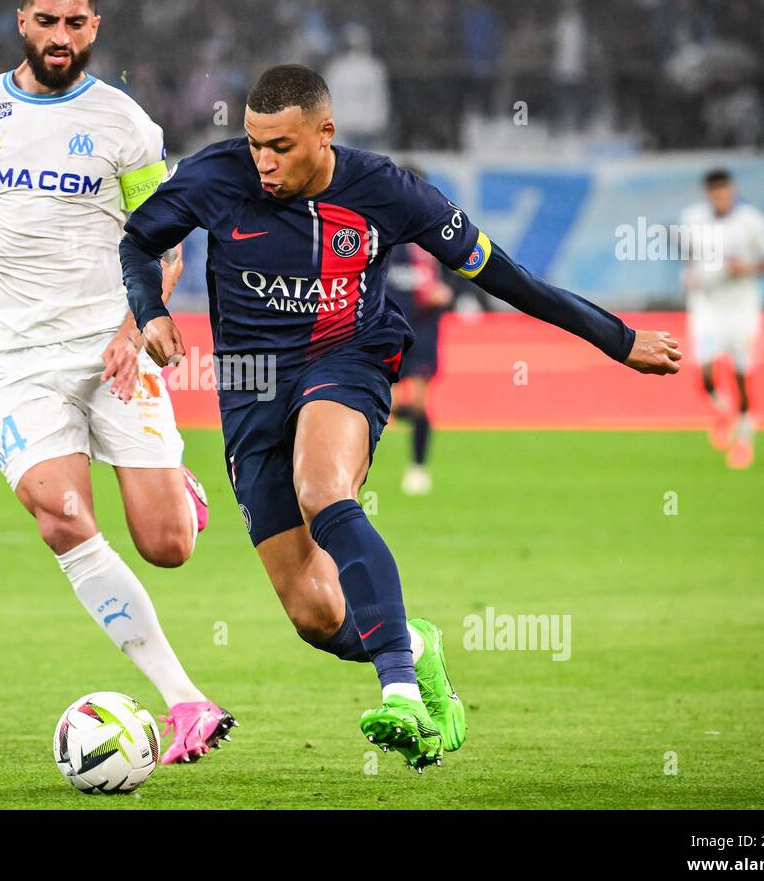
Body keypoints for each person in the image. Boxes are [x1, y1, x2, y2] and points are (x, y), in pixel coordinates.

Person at [120, 64, 681, 771]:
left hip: (347, 360)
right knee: (315, 615)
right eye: (256, 143)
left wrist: (618, 339)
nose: (264, 162)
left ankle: (401, 691)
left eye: (282, 147)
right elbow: (138, 242)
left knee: (323, 488)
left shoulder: (387, 190)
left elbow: (504, 274)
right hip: (249, 387)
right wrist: (152, 312)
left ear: (326, 134)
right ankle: (415, 646)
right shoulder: (215, 177)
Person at [0, 0, 232, 765]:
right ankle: (185, 702)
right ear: (22, 21)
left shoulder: (125, 126)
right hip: (15, 360)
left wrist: (137, 327)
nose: (59, 36)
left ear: (94, 28)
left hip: (112, 349)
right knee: (63, 516)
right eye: (45, 20)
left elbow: (162, 244)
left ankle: (181, 494)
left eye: (74, 23)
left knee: (166, 546)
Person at [680, 168, 764, 469]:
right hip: (707, 308)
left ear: (733, 191)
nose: (720, 198)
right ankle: (725, 411)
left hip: (742, 311)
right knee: (705, 374)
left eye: (724, 192)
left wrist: (749, 269)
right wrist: (690, 275)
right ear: (707, 194)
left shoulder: (752, 222)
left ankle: (744, 440)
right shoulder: (693, 220)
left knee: (742, 376)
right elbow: (690, 258)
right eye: (714, 193)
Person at [383, 170, 455, 496]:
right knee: (391, 406)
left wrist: (450, 293)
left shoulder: (438, 231)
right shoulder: (384, 232)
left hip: (425, 326)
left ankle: (418, 469)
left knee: (422, 401)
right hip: (391, 325)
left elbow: (461, 270)